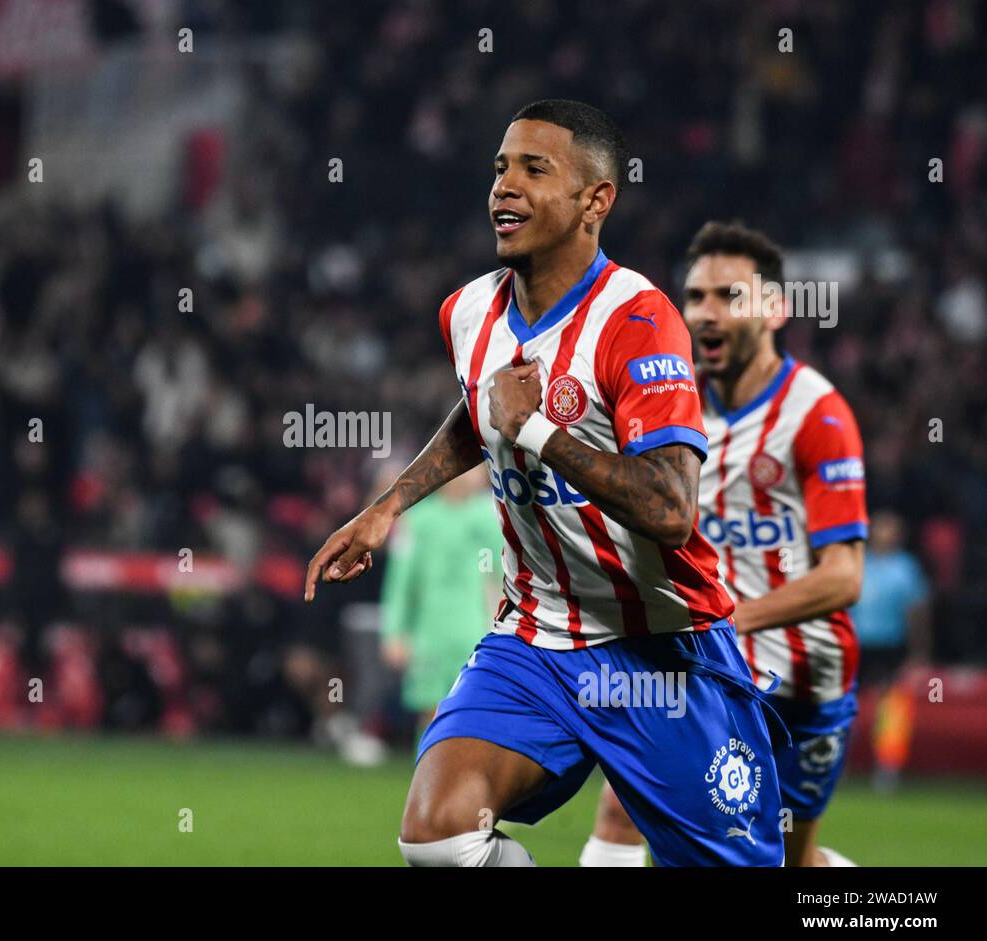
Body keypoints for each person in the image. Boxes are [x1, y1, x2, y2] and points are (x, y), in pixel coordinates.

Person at [304, 100, 785, 866]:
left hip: (662, 653)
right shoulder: (466, 312)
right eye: (500, 168)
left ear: (596, 200)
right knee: (437, 833)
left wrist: (537, 431)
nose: (506, 186)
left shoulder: (639, 321)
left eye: (535, 169)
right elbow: (478, 415)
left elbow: (670, 509)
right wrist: (390, 505)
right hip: (535, 640)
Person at [582, 221, 868, 867]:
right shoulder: (672, 407)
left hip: (806, 677)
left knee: (788, 860)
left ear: (775, 308)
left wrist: (735, 619)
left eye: (728, 297)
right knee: (624, 805)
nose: (706, 313)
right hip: (716, 664)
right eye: (696, 296)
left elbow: (845, 577)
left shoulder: (817, 415)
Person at [380, 464, 505, 737]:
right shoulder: (417, 520)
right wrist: (394, 632)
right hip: (429, 633)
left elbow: (505, 579)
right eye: (468, 467)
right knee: (431, 711)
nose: (474, 474)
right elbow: (400, 582)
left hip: (477, 630)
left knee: (477, 711)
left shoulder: (492, 516)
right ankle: (429, 775)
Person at [851, 509, 931, 791]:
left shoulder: (906, 568)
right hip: (857, 644)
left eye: (890, 529)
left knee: (893, 709)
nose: (885, 535)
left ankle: (886, 770)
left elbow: (917, 613)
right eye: (881, 528)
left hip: (890, 647)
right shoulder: (859, 562)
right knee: (846, 704)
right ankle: (834, 763)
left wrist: (919, 652)